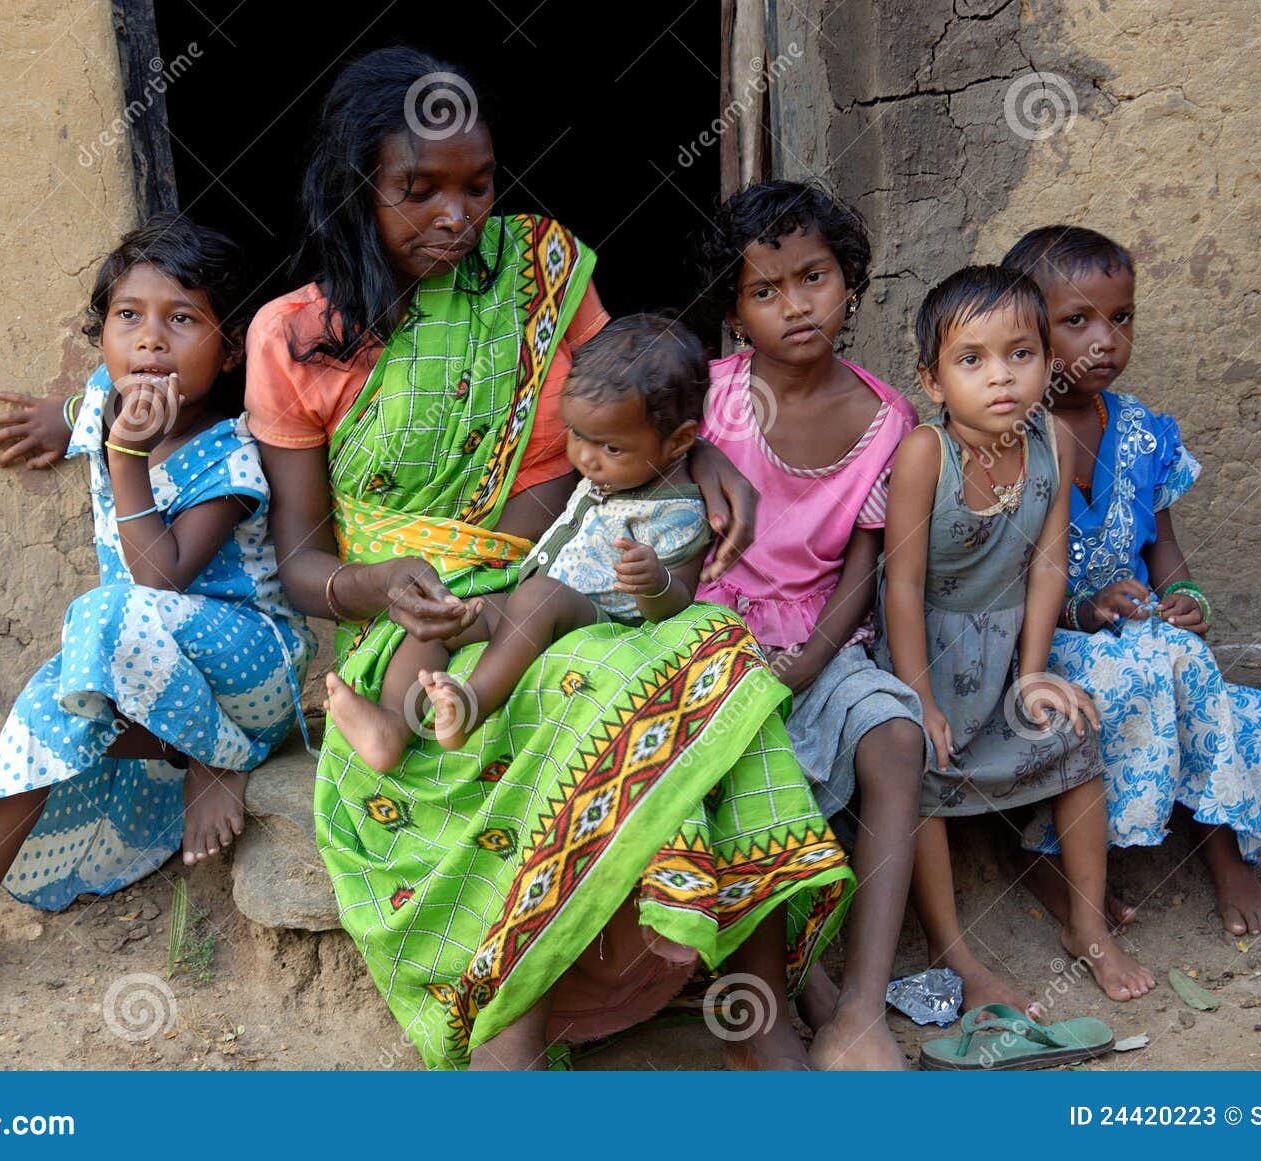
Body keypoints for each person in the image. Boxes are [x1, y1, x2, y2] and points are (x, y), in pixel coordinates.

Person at [245, 47, 855, 1069]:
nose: (457, 214)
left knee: (711, 649)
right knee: (589, 681)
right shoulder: (293, 337)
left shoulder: (540, 273)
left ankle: (767, 1031)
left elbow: (641, 392)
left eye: (477, 185)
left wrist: (697, 456)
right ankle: (513, 1036)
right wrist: (373, 587)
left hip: (574, 577)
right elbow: (302, 563)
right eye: (419, 190)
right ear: (359, 187)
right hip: (420, 621)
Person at [0, 216, 315, 1031]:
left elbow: (158, 577)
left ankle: (220, 759)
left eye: (182, 319)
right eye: (128, 318)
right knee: (46, 705)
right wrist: (61, 416)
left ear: (230, 347)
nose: (150, 342)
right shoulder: (107, 405)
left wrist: (122, 457)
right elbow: (91, 401)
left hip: (255, 670)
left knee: (103, 613)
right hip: (142, 671)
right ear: (101, 336)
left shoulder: (227, 453)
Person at [1002, 226, 1261, 936]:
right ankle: (1048, 854)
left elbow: (1167, 552)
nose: (1105, 340)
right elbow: (1000, 586)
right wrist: (1085, 611)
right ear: (1028, 328)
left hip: (1141, 642)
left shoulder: (1144, 433)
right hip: (1042, 651)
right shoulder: (1010, 439)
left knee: (1177, 651)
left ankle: (1225, 846)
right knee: (1159, 664)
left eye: (1121, 319)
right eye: (1077, 321)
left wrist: (1189, 600)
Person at [691, 181, 925, 1069]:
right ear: (734, 312)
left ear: (851, 281)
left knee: (896, 735)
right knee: (741, 757)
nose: (796, 304)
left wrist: (805, 665)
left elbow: (860, 574)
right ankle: (785, 994)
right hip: (711, 633)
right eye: (765, 290)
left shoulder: (884, 420)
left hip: (823, 638)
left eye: (815, 276)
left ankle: (862, 1007)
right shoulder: (710, 404)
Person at [880, 264, 1156, 1006]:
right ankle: (953, 947)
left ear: (1044, 362)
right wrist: (919, 694)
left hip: (1003, 656)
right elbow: (900, 586)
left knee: (1074, 733)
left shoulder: (1054, 446)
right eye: (972, 360)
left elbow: (1047, 564)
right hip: (924, 656)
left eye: (1021, 354)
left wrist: (1034, 672)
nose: (1000, 377)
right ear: (933, 382)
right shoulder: (923, 455)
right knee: (918, 760)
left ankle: (1088, 928)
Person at [325, 315, 717, 767]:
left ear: (680, 441)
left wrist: (655, 584)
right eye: (576, 435)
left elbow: (678, 605)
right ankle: (391, 726)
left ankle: (469, 706)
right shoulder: (619, 467)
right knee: (449, 618)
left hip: (605, 627)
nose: (585, 458)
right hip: (536, 608)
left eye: (609, 447)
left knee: (539, 596)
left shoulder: (679, 510)